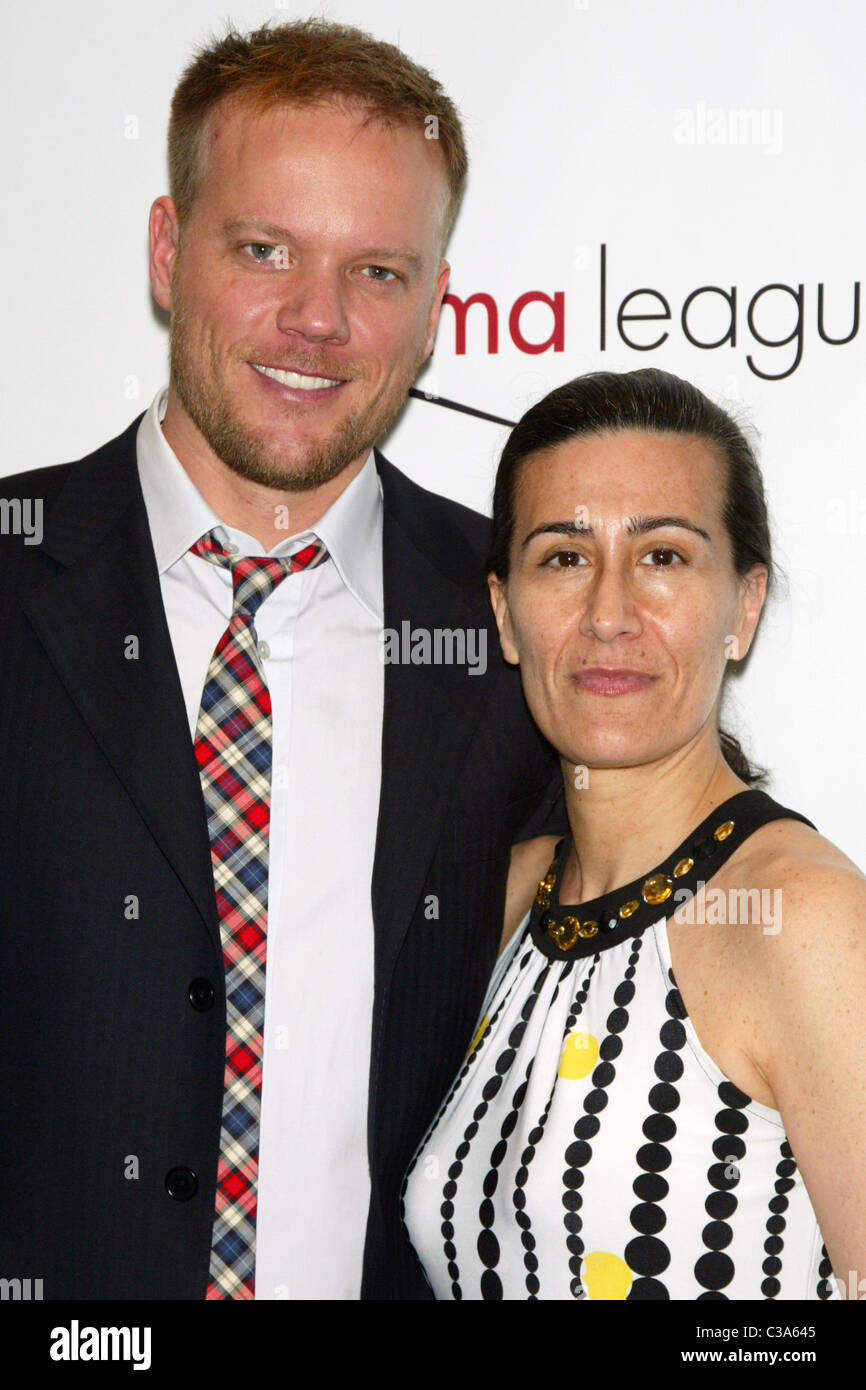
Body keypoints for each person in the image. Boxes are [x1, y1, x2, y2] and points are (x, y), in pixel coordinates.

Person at [0, 18, 563, 1301]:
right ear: (166, 250)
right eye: (265, 251)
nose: (316, 320)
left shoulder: (522, 626)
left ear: (434, 305)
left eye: (376, 271)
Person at [402, 367, 866, 1300]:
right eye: (564, 558)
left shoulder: (801, 920)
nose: (609, 615)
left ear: (744, 607)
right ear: (504, 614)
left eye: (664, 557)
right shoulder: (502, 900)